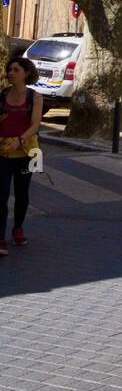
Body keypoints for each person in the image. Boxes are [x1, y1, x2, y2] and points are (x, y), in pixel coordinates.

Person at [0, 56, 44, 256]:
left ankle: (18, 228)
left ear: (26, 73)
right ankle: (0, 238)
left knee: (22, 192)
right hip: (3, 149)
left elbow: (35, 125)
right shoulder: (2, 95)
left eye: (15, 70)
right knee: (1, 194)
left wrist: (19, 140)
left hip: (29, 151)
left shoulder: (35, 97)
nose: (10, 73)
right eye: (9, 70)